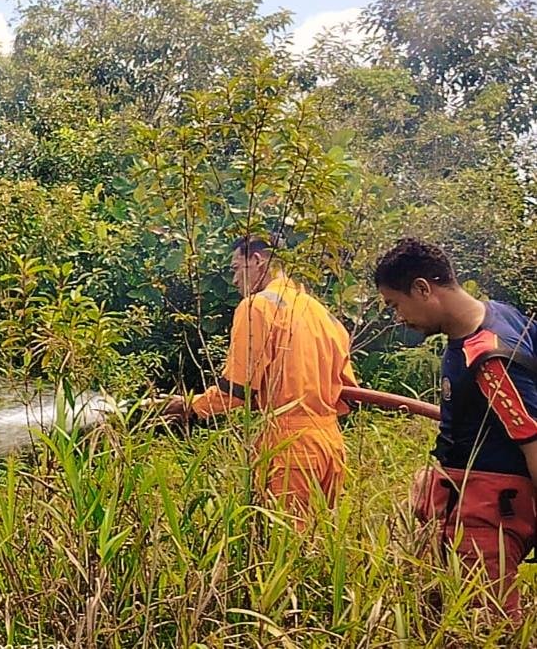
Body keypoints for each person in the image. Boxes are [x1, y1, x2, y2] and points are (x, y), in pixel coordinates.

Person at [374, 237, 537, 620]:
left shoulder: (488, 356)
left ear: (422, 289)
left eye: (395, 304)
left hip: (488, 518)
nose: (398, 317)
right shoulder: (500, 314)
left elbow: (533, 440)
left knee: (488, 627)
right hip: (469, 504)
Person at [162, 235, 358, 523]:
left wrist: (190, 406)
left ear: (256, 260)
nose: (234, 280)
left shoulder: (257, 307)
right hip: (331, 444)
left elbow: (236, 390)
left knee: (285, 541)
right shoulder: (323, 314)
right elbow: (348, 395)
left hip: (290, 446)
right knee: (319, 538)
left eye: (235, 269)